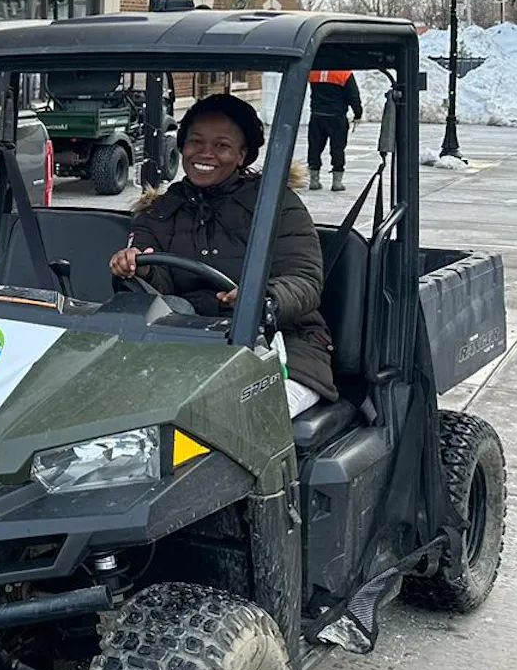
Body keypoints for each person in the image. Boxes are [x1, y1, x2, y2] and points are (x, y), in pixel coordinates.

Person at [109, 93, 336, 417]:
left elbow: (304, 279)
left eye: (221, 146)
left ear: (242, 155)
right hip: (184, 345)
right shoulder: (159, 211)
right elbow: (158, 287)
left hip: (280, 345)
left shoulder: (278, 206)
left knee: (235, 418)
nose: (205, 153)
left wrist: (262, 299)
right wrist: (139, 269)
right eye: (196, 142)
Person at [307, 70, 363, 192]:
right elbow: (353, 95)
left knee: (314, 147)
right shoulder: (344, 73)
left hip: (317, 115)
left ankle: (314, 180)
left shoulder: (313, 72)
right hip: (337, 117)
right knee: (337, 148)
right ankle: (337, 182)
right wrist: (358, 113)